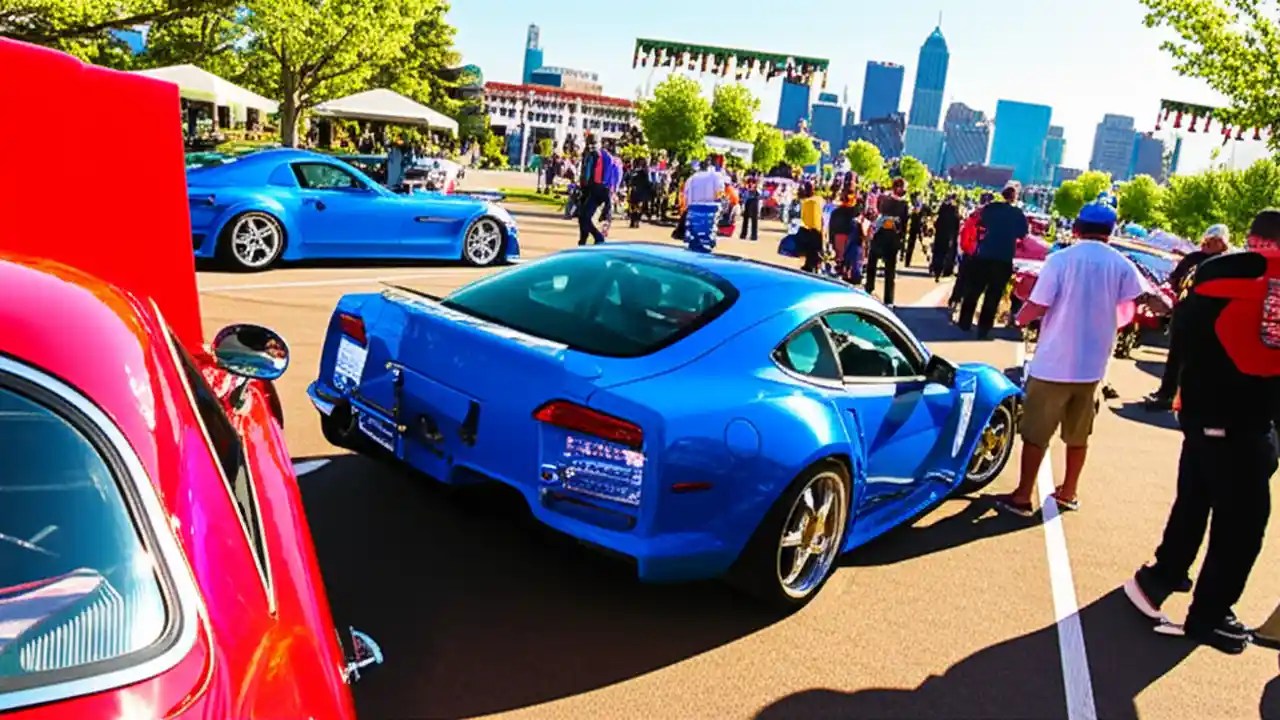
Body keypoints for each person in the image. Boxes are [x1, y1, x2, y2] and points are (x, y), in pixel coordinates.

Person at [1121, 209, 1280, 654]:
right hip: (1244, 419)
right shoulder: (1267, 279)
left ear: (1250, 237)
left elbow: (1183, 336)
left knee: (1195, 499)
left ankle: (1160, 577)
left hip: (1203, 412)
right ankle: (1208, 614)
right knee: (1243, 527)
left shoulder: (1213, 272)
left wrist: (1179, 392)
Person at [992, 202, 1169, 517]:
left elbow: (1037, 306)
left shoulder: (1060, 261)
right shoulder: (1122, 264)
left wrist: (1019, 316)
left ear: (1076, 228)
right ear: (1111, 232)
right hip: (1092, 369)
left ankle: (1022, 495)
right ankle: (1068, 491)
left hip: (1053, 364)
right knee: (1078, 436)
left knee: (1035, 433)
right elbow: (1150, 301)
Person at [1143, 224, 1230, 410]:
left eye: (1215, 241)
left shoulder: (1226, 265)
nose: (1209, 244)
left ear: (1223, 245)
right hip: (1184, 315)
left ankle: (1192, 399)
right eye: (1207, 240)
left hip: (1209, 320)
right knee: (1175, 357)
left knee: (1200, 362)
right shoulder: (1192, 259)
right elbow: (1174, 281)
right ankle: (1166, 393)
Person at [957, 185, 1028, 338]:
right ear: (1015, 197)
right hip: (1003, 257)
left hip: (983, 255)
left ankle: (964, 322)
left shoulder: (989, 209)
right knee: (993, 295)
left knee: (974, 290)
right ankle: (984, 328)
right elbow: (1023, 234)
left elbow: (978, 223)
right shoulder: (1017, 214)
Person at [866, 178, 909, 306]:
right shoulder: (901, 204)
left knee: (874, 266)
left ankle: (871, 291)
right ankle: (887, 299)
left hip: (882, 237)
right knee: (887, 270)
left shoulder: (885, 199)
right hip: (890, 239)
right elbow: (904, 225)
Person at [577, 137, 615, 245]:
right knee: (583, 216)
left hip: (596, 188)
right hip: (596, 188)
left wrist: (586, 186)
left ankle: (596, 237)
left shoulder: (598, 155)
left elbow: (590, 173)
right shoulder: (596, 155)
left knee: (584, 216)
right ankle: (584, 239)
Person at [796, 180, 825, 272]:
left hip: (808, 229)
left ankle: (809, 266)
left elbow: (803, 217)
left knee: (810, 250)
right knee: (816, 250)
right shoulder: (820, 200)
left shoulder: (805, 202)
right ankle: (815, 266)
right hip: (817, 229)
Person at [932, 194, 961, 282]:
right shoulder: (954, 210)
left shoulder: (942, 209)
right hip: (949, 236)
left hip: (940, 235)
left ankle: (936, 270)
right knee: (946, 254)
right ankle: (944, 271)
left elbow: (936, 223)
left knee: (938, 252)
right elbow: (957, 225)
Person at [904, 194, 926, 268]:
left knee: (922, 244)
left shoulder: (920, 207)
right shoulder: (915, 208)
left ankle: (907, 261)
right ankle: (907, 261)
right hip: (915, 227)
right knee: (912, 245)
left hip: (917, 227)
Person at [739, 175, 761, 241]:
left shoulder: (757, 189)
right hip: (748, 201)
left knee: (754, 219)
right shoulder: (746, 189)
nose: (751, 184)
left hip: (754, 201)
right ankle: (743, 234)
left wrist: (755, 188)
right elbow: (743, 194)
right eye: (749, 182)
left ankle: (754, 236)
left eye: (753, 182)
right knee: (745, 219)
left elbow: (760, 194)